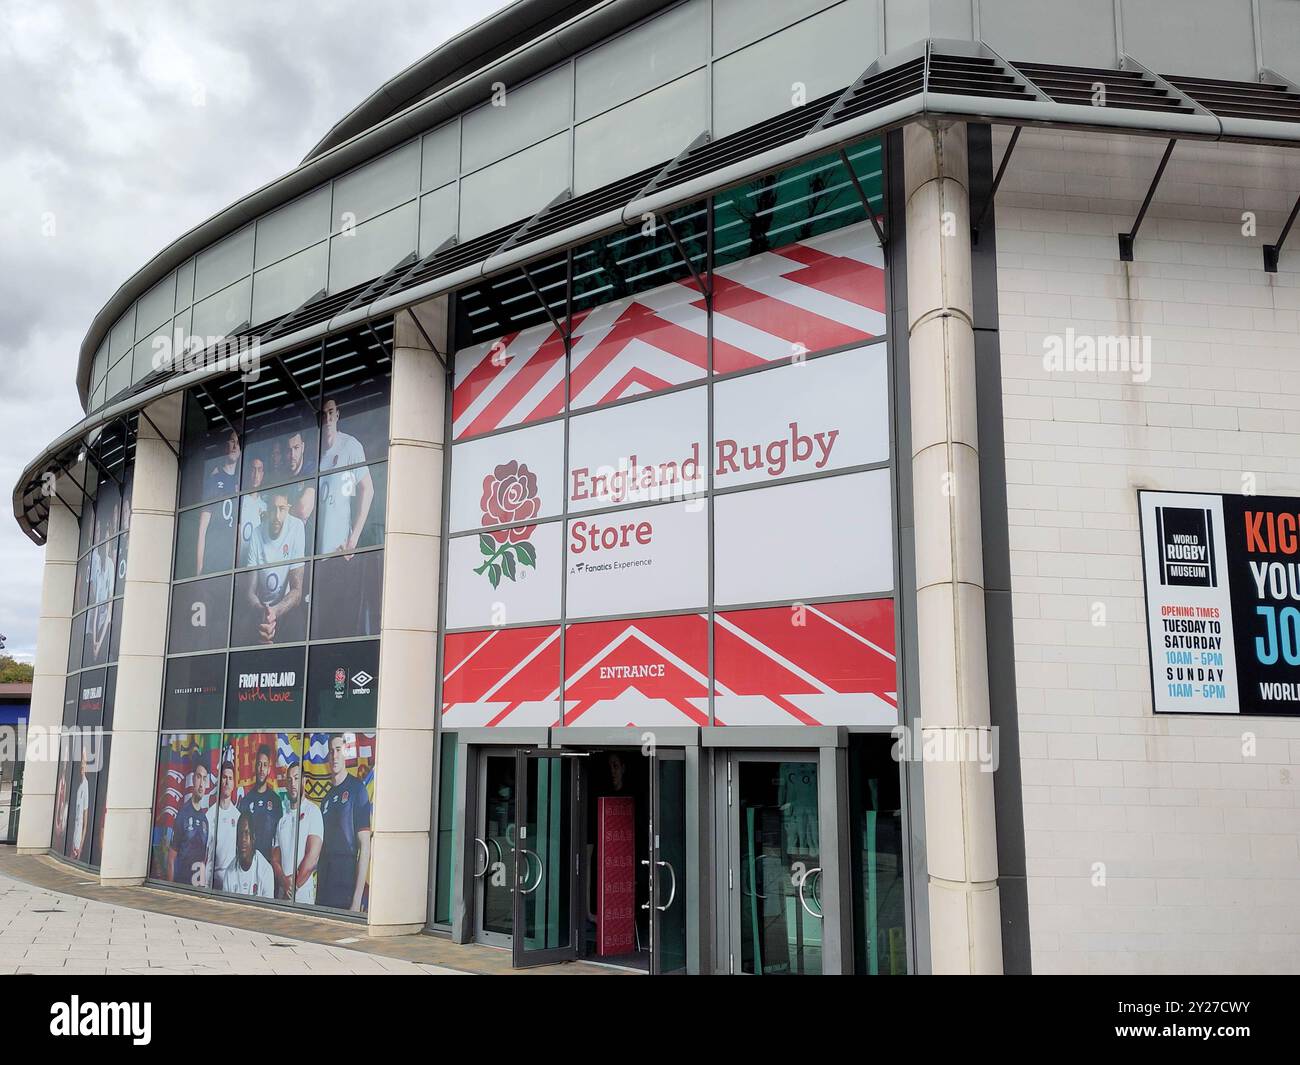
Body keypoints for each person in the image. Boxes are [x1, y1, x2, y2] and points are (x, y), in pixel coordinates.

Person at [237, 490, 306, 645]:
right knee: (241, 630)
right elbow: (250, 591)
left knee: (298, 630)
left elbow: (297, 592)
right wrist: (264, 612)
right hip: (261, 608)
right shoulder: (256, 533)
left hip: (285, 608)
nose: (277, 516)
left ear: (288, 508)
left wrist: (274, 612)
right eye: (273, 509)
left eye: (282, 509)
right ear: (266, 510)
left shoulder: (296, 528)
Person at [317, 735, 371, 911]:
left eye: (338, 750)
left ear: (346, 752)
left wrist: (356, 900)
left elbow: (365, 847)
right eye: (331, 751)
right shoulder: (326, 799)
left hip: (346, 890)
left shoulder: (357, 789)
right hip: (324, 889)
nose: (334, 756)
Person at [317, 398, 373, 557]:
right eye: (323, 414)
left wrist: (353, 540)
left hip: (339, 549)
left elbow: (368, 489)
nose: (327, 418)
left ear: (337, 415)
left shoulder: (350, 446)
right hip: (317, 552)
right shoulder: (316, 452)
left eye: (331, 412)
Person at [271, 759, 323, 903]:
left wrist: (292, 888)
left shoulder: (313, 812)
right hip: (283, 895)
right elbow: (275, 859)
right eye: (289, 780)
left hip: (303, 896)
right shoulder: (282, 820)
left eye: (296, 778)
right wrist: (284, 882)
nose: (293, 783)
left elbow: (312, 857)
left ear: (304, 781)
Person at [195, 429, 241, 574]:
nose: (235, 446)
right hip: (211, 566)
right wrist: (199, 572)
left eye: (238, 443)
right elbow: (202, 529)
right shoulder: (214, 478)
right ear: (226, 445)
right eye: (232, 441)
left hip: (230, 567)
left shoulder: (240, 482)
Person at [167, 758, 212, 887]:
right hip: (181, 886)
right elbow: (171, 858)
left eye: (204, 779)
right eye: (199, 777)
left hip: (197, 888)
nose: (201, 784)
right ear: (193, 779)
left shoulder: (205, 820)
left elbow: (203, 860)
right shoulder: (183, 815)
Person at [237, 744, 283, 865]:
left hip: (270, 864)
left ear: (269, 768)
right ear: (255, 766)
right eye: (259, 764)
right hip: (249, 863)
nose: (262, 769)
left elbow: (279, 837)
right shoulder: (246, 801)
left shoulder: (275, 801)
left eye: (265, 765)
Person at [222, 812, 275, 899]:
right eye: (240, 834)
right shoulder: (229, 873)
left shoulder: (266, 870)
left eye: (246, 833)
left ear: (253, 838)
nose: (243, 839)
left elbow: (266, 911)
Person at [208, 761, 241, 890]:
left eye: (230, 778)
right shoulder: (210, 816)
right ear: (219, 781)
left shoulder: (238, 817)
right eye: (224, 778)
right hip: (213, 881)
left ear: (233, 784)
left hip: (233, 881)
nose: (227, 782)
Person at [69, 741, 91, 861]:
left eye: (85, 763)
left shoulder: (85, 786)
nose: (83, 766)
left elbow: (85, 823)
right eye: (82, 763)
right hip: (72, 838)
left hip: (77, 842)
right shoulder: (76, 784)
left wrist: (80, 847)